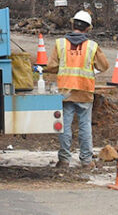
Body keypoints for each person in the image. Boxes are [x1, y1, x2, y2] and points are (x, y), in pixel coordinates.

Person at [43, 10, 109, 168]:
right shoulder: (92, 46)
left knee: (64, 126)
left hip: (65, 92)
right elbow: (104, 66)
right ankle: (86, 161)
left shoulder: (60, 44)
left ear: (72, 24)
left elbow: (51, 66)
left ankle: (64, 160)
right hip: (85, 92)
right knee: (85, 126)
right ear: (88, 28)